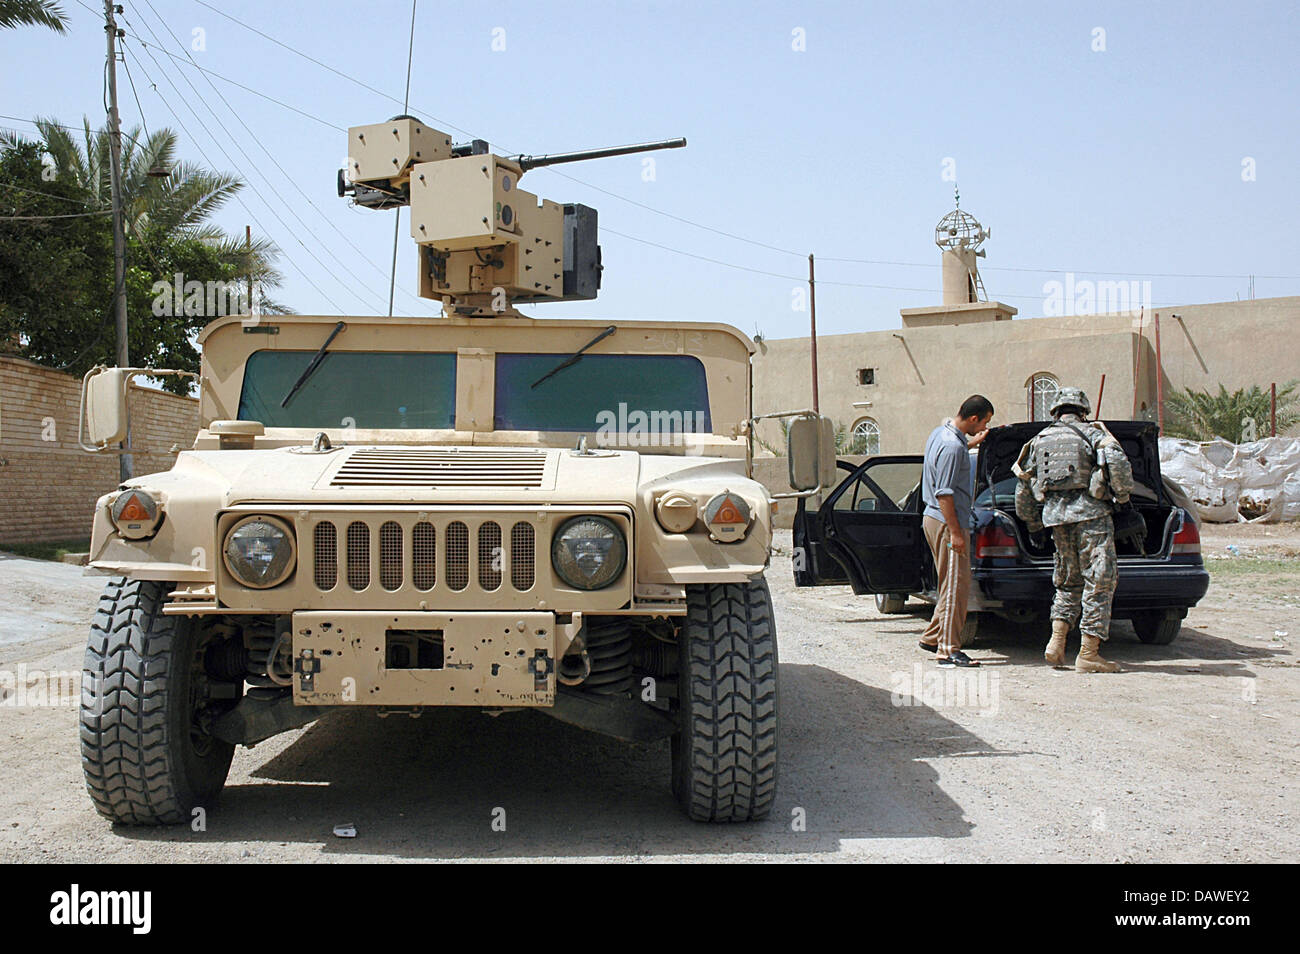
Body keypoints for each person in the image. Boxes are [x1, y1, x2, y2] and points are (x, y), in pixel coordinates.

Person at [1013, 386, 1135, 673]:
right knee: (1099, 580)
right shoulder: (1094, 434)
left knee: (1067, 581)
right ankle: (1088, 653)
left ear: (1055, 410)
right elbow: (1117, 466)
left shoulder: (1037, 441)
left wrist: (1032, 522)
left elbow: (1023, 488)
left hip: (1056, 519)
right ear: (1083, 410)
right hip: (1091, 517)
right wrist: (1123, 495)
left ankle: (1056, 643)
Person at [919, 395, 994, 667]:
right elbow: (945, 494)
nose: (984, 425)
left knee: (949, 583)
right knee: (955, 588)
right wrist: (956, 533)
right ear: (974, 418)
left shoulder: (942, 434)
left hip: (935, 519)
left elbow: (955, 452)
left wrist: (975, 442)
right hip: (947, 520)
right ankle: (948, 649)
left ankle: (932, 637)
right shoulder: (952, 447)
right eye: (984, 421)